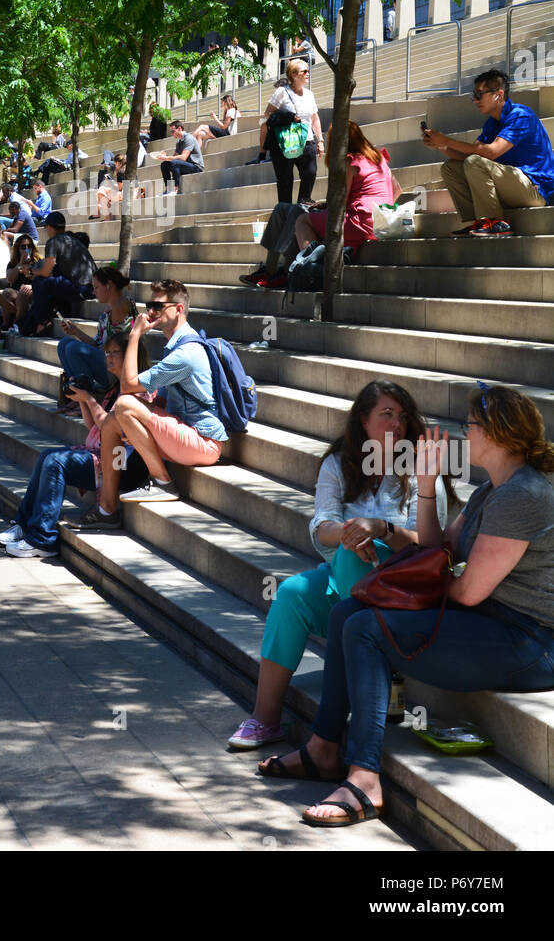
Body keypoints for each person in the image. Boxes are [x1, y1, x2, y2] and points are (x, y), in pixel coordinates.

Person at [263, 385, 554, 828]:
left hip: (527, 641)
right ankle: (324, 748)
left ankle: (364, 779)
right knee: (345, 614)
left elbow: (468, 591)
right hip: (490, 622)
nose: (464, 434)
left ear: (494, 434)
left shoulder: (521, 496)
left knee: (366, 629)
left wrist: (411, 598)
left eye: (471, 426)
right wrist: (423, 487)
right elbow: (438, 549)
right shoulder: (490, 492)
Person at [227, 381, 449, 751]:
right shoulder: (338, 464)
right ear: (363, 420)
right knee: (292, 594)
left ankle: (340, 718)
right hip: (346, 578)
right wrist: (348, 533)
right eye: (386, 414)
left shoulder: (420, 468)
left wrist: (383, 529)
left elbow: (430, 545)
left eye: (402, 416)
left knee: (351, 555)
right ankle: (265, 720)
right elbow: (321, 525)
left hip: (402, 587)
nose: (396, 424)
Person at [0, 335, 150, 555]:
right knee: (47, 456)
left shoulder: (140, 391)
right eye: (107, 353)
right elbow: (95, 427)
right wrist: (81, 399)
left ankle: (43, 539)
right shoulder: (116, 388)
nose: (108, 357)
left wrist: (89, 399)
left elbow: (111, 428)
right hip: (106, 455)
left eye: (115, 353)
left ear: (130, 357)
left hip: (119, 464)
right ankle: (23, 524)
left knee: (55, 463)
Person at [107, 278, 227, 508]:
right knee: (115, 419)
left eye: (158, 306)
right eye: (149, 305)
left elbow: (127, 385)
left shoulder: (186, 353)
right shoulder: (176, 347)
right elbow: (162, 399)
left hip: (203, 441)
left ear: (179, 309)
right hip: (188, 435)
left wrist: (134, 335)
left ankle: (163, 483)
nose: (151, 311)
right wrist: (135, 428)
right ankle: (106, 506)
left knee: (124, 405)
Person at [423, 68, 554, 238]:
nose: (475, 100)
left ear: (498, 94)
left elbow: (491, 153)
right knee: (451, 167)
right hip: (512, 186)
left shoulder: (521, 116)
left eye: (479, 94)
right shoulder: (492, 123)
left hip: (535, 189)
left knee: (475, 162)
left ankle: (496, 222)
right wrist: (440, 145)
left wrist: (447, 141)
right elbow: (468, 155)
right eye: (474, 96)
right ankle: (479, 221)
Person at [294, 121, 401, 255]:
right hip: (383, 221)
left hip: (360, 222)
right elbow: (397, 190)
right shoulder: (379, 159)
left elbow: (339, 202)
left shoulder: (350, 161)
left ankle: (311, 265)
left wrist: (325, 206)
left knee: (302, 220)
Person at [57, 266, 137, 404]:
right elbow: (98, 344)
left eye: (96, 287)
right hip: (106, 359)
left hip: (117, 368)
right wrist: (75, 331)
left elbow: (112, 348)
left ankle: (87, 397)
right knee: (64, 344)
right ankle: (77, 395)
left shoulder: (120, 306)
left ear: (108, 286)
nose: (94, 292)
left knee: (72, 348)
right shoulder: (111, 307)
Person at [249, 61, 325, 205]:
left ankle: (303, 203)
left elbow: (314, 118)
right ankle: (285, 213)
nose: (308, 73)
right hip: (284, 142)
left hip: (306, 140)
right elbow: (268, 115)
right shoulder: (282, 92)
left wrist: (320, 140)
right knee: (285, 181)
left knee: (310, 173)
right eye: (304, 71)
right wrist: (289, 117)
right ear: (293, 75)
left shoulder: (309, 94)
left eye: (308, 71)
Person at [18, 211, 94, 336]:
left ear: (50, 227)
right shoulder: (73, 240)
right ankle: (56, 313)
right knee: (51, 282)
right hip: (91, 288)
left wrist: (31, 271)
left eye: (46, 227)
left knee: (40, 281)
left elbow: (46, 272)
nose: (46, 230)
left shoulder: (53, 242)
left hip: (81, 289)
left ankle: (42, 322)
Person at [155, 120, 205, 196]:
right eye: (171, 132)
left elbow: (183, 157)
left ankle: (175, 189)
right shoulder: (179, 142)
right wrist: (165, 156)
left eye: (173, 131)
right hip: (186, 165)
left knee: (174, 163)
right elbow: (175, 157)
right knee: (164, 164)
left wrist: (167, 157)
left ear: (179, 129)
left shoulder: (188, 138)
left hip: (196, 167)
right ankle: (168, 189)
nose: (171, 133)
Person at [90, 154, 126, 221]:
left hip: (126, 194)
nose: (115, 165)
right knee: (103, 191)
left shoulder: (121, 171)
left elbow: (120, 188)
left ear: (118, 163)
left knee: (101, 193)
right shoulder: (126, 169)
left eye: (115, 163)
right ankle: (99, 211)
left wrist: (111, 184)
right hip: (131, 192)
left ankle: (106, 216)